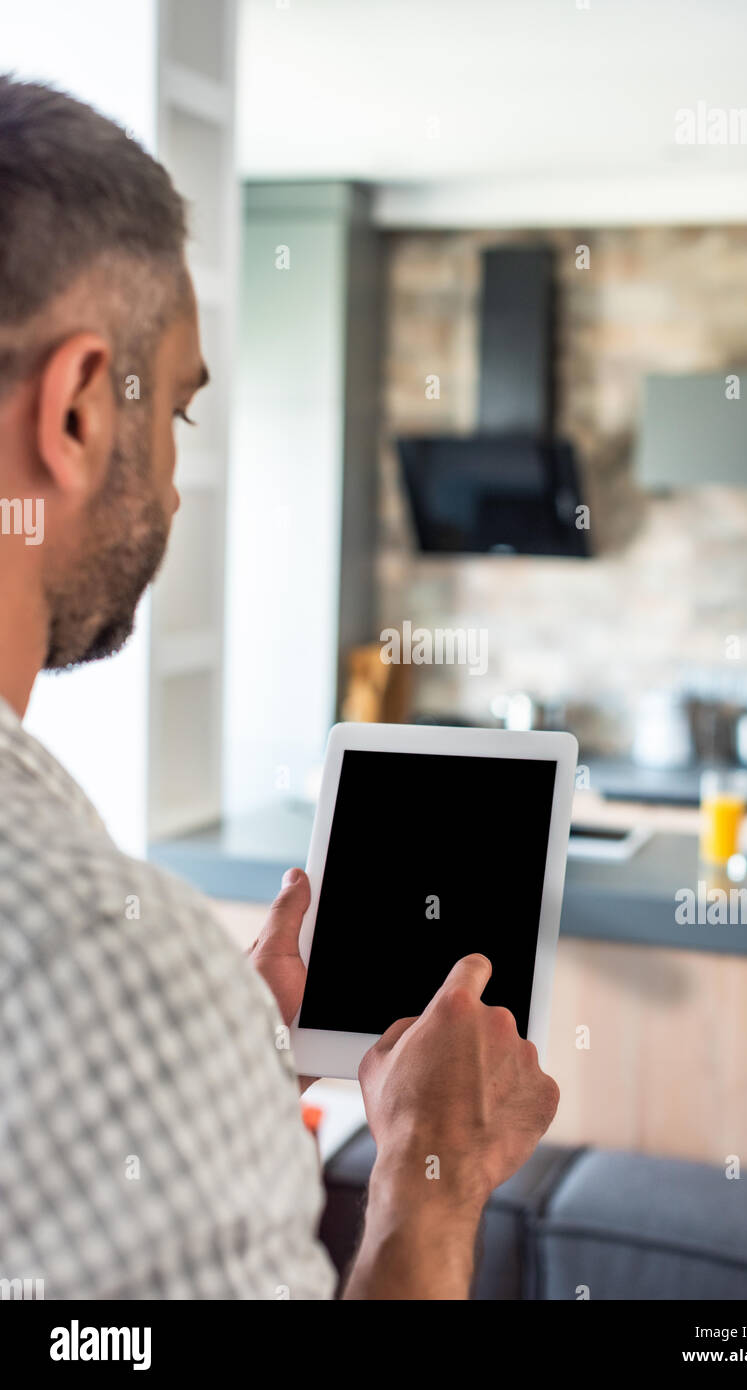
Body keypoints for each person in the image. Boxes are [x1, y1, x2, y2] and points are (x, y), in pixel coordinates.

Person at [0, 75, 559, 1300]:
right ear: (83, 410)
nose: (181, 487)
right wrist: (431, 1169)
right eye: (181, 416)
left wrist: (221, 1060)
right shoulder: (95, 965)